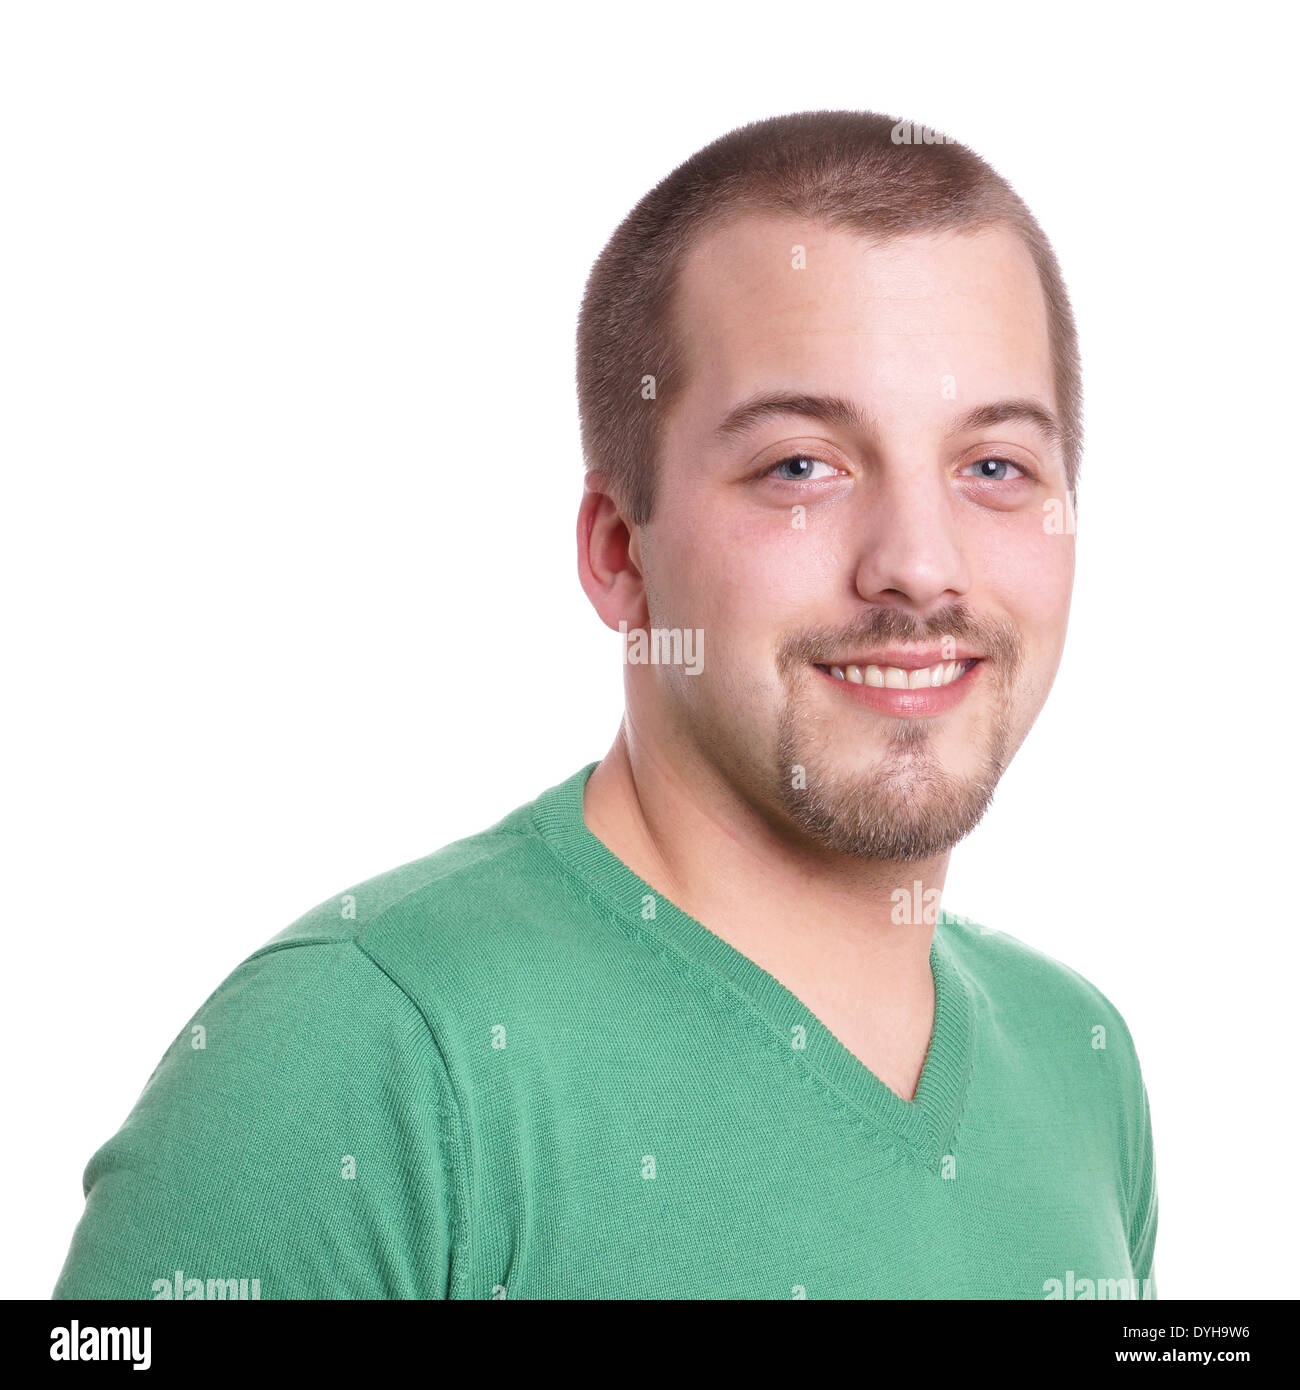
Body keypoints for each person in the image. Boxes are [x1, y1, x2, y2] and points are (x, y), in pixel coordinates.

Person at [54, 110, 1156, 1301]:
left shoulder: (1079, 1067)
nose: (917, 564)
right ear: (619, 553)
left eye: (994, 466)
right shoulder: (366, 1056)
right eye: (800, 466)